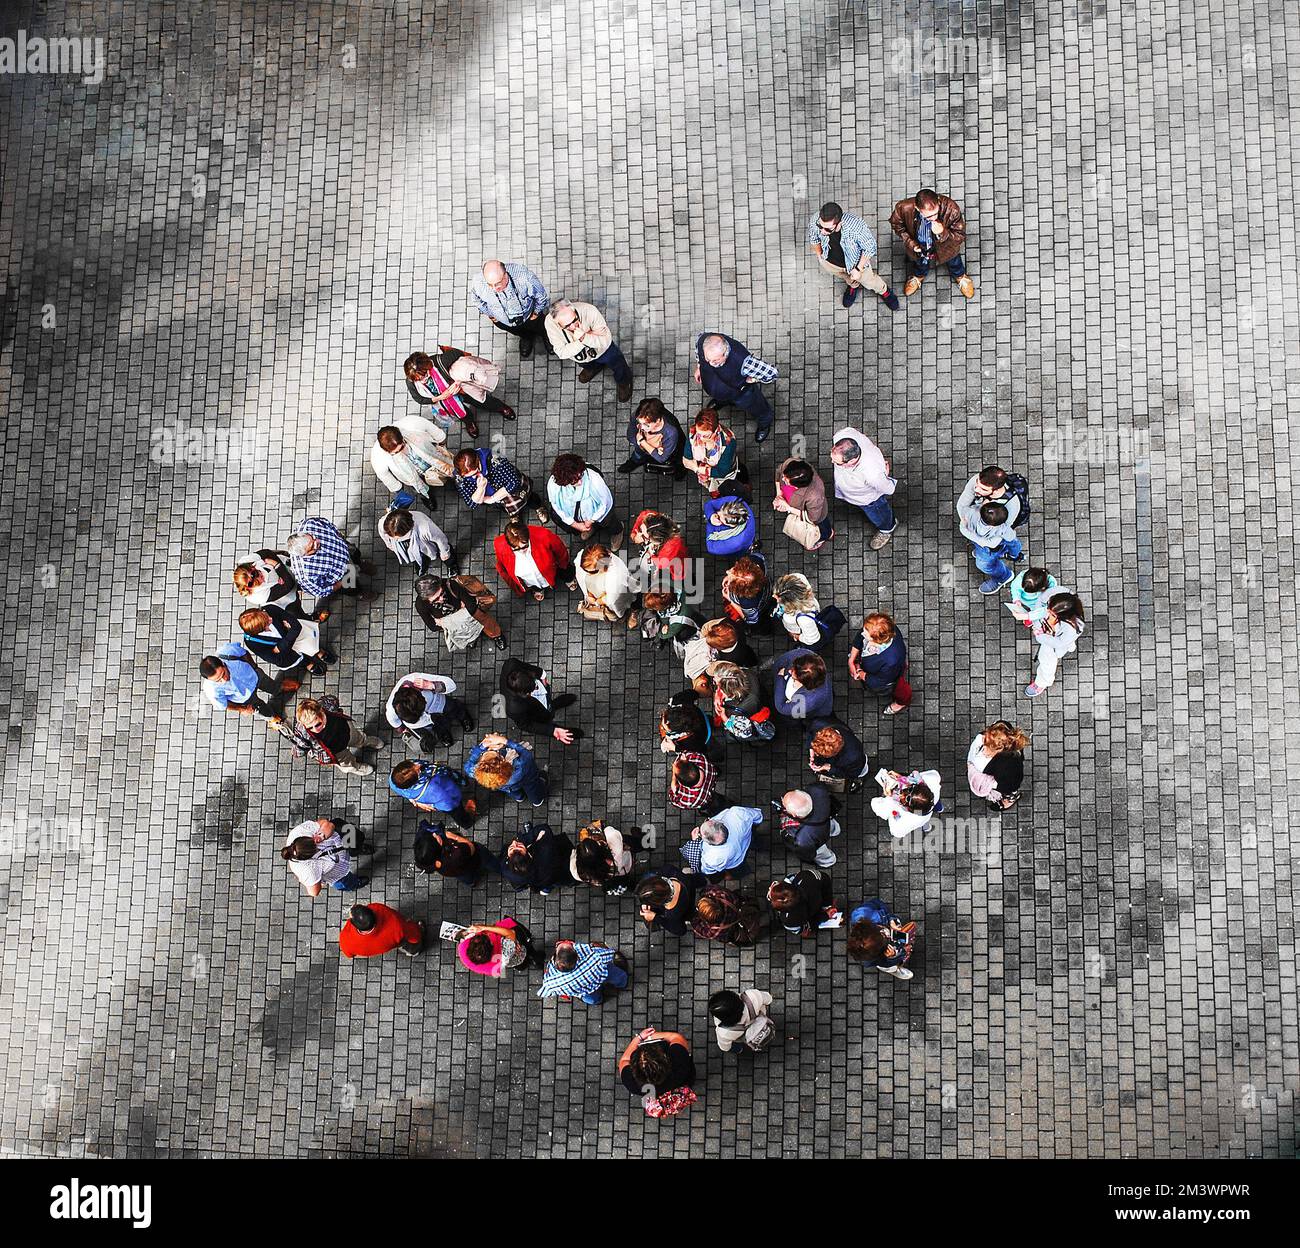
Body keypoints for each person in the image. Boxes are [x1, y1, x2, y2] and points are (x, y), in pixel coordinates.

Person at [806, 200, 900, 310]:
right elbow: (813, 238)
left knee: (869, 281)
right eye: (820, 226)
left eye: (827, 229)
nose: (822, 231)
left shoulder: (856, 227)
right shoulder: (816, 220)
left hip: (855, 264)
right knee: (847, 278)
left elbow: (870, 248)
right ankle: (853, 286)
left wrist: (858, 269)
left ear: (839, 223)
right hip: (831, 263)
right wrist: (820, 256)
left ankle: (884, 291)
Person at [403, 347, 515, 439]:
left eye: (423, 376)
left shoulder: (440, 361)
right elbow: (419, 399)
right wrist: (440, 397)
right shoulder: (411, 381)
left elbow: (458, 354)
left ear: (427, 366)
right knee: (460, 412)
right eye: (417, 379)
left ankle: (500, 407)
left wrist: (458, 379)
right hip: (444, 401)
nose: (422, 381)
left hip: (461, 391)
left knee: (482, 401)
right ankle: (469, 422)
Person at [890, 187, 974, 298]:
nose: (934, 218)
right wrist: (910, 243)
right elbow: (897, 225)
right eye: (929, 216)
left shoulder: (951, 209)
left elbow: (959, 237)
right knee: (920, 262)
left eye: (936, 213)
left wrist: (943, 232)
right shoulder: (903, 208)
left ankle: (960, 276)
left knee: (954, 261)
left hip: (946, 247)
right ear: (917, 208)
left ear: (938, 203)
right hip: (921, 247)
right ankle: (918, 276)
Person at [544, 299, 633, 401]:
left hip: (603, 350)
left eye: (574, 320)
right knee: (586, 364)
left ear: (574, 310)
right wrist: (583, 340)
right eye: (567, 325)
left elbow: (605, 340)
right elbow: (561, 352)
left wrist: (584, 337)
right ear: (557, 323)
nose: (573, 327)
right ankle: (594, 368)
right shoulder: (550, 323)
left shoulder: (589, 311)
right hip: (581, 356)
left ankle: (624, 382)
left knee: (618, 365)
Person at [694, 332, 776, 442]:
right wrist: (700, 366)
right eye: (707, 359)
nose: (710, 364)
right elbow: (698, 350)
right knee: (721, 396)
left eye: (715, 361)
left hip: (741, 394)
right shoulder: (703, 340)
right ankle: (722, 401)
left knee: (759, 409)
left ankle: (764, 424)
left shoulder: (743, 361)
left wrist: (752, 379)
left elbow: (772, 373)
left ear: (725, 353)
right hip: (720, 390)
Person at [956, 465, 1027, 592]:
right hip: (983, 532)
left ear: (996, 490)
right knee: (1009, 543)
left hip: (991, 539)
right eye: (977, 483)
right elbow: (961, 505)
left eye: (982, 489)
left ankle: (1003, 577)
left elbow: (995, 541)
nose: (976, 488)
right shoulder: (978, 481)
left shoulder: (1011, 505)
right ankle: (1011, 554)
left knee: (984, 564)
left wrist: (966, 528)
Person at [829, 427, 897, 549]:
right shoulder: (844, 435)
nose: (832, 462)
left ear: (852, 461)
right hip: (854, 493)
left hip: (868, 500)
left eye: (837, 462)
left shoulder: (872, 473)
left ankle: (887, 528)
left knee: (879, 513)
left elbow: (888, 488)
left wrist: (883, 476)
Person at [286, 516, 377, 604]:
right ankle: (359, 593)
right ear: (303, 554)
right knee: (351, 586)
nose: (317, 542)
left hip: (344, 549)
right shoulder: (305, 575)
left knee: (356, 554)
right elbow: (320, 591)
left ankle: (359, 565)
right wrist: (339, 584)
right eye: (312, 547)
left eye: (312, 537)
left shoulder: (309, 524)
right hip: (342, 574)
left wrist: (339, 536)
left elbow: (326, 523)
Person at [471, 259, 551, 358]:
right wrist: (490, 314)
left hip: (529, 316)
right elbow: (477, 300)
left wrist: (536, 312)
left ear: (505, 275)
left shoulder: (525, 277)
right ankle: (526, 337)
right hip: (504, 321)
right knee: (519, 331)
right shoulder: (478, 282)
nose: (494, 289)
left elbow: (541, 296)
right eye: (490, 284)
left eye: (497, 284)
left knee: (541, 327)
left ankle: (547, 336)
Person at [369, 417, 454, 507]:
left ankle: (453, 477)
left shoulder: (412, 424)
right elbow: (384, 475)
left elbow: (433, 430)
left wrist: (441, 443)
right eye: (396, 453)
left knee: (446, 468)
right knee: (418, 486)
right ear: (386, 451)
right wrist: (397, 489)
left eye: (401, 447)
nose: (400, 452)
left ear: (402, 438)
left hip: (429, 458)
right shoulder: (377, 456)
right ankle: (427, 496)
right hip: (410, 474)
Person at [414, 574, 508, 653]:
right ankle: (472, 639)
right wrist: (461, 613)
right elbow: (432, 627)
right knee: (465, 633)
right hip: (462, 616)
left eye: (441, 593)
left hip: (467, 615)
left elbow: (472, 606)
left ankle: (497, 635)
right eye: (436, 599)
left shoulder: (450, 584)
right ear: (425, 599)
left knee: (486, 622)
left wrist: (444, 621)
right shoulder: (420, 605)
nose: (441, 599)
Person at [237, 606, 332, 682]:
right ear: (259, 630)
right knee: (298, 659)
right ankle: (307, 663)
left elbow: (296, 626)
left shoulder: (270, 609)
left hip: (297, 640)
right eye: (267, 622)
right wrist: (289, 635)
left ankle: (318, 651)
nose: (270, 618)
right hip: (289, 655)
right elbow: (276, 659)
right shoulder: (252, 642)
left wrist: (280, 647)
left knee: (311, 644)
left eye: (265, 615)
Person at [291, 697, 383, 776]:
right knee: (347, 763)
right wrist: (297, 751)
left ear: (321, 712)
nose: (315, 729)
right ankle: (357, 768)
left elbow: (333, 700)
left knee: (359, 738)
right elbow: (299, 750)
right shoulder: (302, 733)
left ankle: (366, 741)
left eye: (318, 724)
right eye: (310, 727)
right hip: (334, 751)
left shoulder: (328, 705)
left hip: (346, 731)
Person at [546, 454, 623, 547]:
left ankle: (617, 532)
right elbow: (557, 506)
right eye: (575, 481)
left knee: (609, 522)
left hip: (600, 511)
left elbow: (604, 502)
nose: (580, 482)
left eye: (581, 475)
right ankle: (590, 528)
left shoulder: (594, 478)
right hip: (578, 515)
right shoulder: (553, 485)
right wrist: (575, 524)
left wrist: (592, 520)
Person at [384, 672, 472, 750]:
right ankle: (443, 734)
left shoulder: (416, 679)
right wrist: (403, 730)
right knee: (437, 727)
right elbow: (394, 722)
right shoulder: (391, 710)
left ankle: (463, 716)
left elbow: (451, 685)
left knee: (454, 709)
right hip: (424, 723)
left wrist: (432, 685)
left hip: (440, 704)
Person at [618, 1028, 696, 1117]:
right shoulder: (678, 1061)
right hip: (683, 1079)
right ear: (664, 1059)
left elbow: (624, 1060)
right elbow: (676, 1037)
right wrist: (651, 1036)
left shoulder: (631, 1082)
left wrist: (639, 1038)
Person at [499, 659, 579, 744]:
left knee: (548, 704)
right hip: (535, 712)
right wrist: (552, 731)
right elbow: (526, 725)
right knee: (546, 718)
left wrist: (542, 674)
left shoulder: (511, 664)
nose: (535, 689)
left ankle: (554, 705)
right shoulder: (513, 709)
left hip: (539, 700)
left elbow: (527, 666)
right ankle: (565, 732)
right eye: (530, 692)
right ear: (523, 693)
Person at [281, 817, 369, 895]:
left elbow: (326, 823)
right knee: (345, 882)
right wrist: (310, 880)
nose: (317, 844)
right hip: (337, 872)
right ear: (308, 857)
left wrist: (322, 835)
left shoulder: (300, 832)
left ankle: (357, 849)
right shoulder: (307, 871)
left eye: (312, 840)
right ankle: (356, 883)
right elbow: (314, 892)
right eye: (315, 848)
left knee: (354, 840)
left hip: (340, 840)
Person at [493, 519, 576, 602]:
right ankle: (538, 589)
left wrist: (563, 563)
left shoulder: (543, 535)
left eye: (525, 546)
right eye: (516, 549)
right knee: (532, 583)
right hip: (529, 579)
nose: (522, 551)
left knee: (564, 571)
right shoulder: (499, 544)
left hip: (553, 568)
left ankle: (568, 578)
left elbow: (560, 550)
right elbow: (501, 566)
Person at [848, 612, 912, 716]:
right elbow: (860, 636)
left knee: (899, 689)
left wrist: (860, 673)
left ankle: (902, 703)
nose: (862, 633)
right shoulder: (884, 628)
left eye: (865, 633)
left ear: (876, 639)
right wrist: (851, 659)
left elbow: (880, 681)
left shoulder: (891, 661)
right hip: (881, 667)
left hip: (888, 677)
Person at [378, 496, 457, 576]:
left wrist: (444, 553)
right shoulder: (383, 523)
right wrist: (389, 544)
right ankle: (421, 564)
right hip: (410, 544)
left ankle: (452, 565)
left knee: (447, 555)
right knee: (415, 554)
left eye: (395, 536)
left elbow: (440, 539)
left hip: (425, 542)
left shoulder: (426, 528)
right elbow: (383, 534)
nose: (393, 538)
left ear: (409, 528)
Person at [1025, 592, 1085, 697]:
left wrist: (1040, 635)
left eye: (1052, 614)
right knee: (1067, 643)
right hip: (1057, 638)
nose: (1048, 613)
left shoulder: (1071, 628)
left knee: (1047, 664)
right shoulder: (1066, 605)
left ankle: (1043, 682)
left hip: (1053, 645)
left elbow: (1059, 642)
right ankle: (1070, 646)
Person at [464, 732, 549, 806]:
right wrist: (504, 740)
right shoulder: (520, 765)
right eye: (497, 754)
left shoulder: (477, 771)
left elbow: (467, 766)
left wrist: (483, 746)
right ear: (503, 761)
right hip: (526, 778)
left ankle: (519, 797)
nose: (496, 751)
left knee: (513, 791)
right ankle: (537, 801)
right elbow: (526, 756)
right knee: (532, 788)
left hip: (507, 787)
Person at [388, 759, 478, 829]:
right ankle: (466, 823)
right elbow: (450, 803)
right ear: (414, 780)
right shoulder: (432, 789)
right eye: (417, 771)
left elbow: (405, 792)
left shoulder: (394, 780)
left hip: (443, 795)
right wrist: (457, 801)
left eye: (413, 764)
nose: (418, 765)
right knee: (458, 813)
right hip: (450, 800)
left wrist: (414, 800)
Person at [200, 644, 284, 716]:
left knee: (273, 687)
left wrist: (255, 667)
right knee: (264, 711)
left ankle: (280, 691)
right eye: (218, 680)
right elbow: (224, 705)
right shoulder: (211, 690)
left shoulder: (228, 651)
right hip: (245, 698)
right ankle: (272, 718)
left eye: (223, 674)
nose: (224, 680)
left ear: (223, 663)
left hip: (255, 676)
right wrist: (242, 709)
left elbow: (244, 653)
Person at [538, 940, 630, 1005]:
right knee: (616, 975)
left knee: (593, 999)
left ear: (556, 960)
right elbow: (609, 954)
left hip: (585, 991)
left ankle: (599, 1000)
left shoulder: (550, 982)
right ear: (577, 957)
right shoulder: (596, 956)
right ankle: (623, 984)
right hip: (599, 975)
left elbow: (543, 993)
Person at [411, 819, 499, 886]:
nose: (434, 834)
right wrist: (453, 836)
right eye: (435, 838)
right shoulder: (456, 854)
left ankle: (472, 883)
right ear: (439, 845)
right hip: (474, 859)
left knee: (466, 877)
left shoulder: (423, 858)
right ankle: (498, 867)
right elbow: (471, 847)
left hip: (457, 871)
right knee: (488, 860)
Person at [680, 805, 762, 877]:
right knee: (757, 842)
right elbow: (758, 816)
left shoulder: (712, 858)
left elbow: (707, 871)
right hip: (748, 839)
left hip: (737, 862)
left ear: (708, 842)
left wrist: (695, 841)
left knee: (740, 871)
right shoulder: (737, 813)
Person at [683, 407, 749, 496]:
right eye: (699, 434)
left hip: (725, 474)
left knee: (727, 489)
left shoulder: (728, 442)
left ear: (716, 431)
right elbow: (687, 457)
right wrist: (701, 470)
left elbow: (722, 471)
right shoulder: (694, 432)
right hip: (708, 470)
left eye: (706, 436)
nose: (701, 439)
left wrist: (698, 469)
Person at [773, 572, 845, 652]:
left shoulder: (805, 620)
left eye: (778, 598)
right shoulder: (798, 577)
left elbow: (813, 639)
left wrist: (797, 637)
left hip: (798, 629)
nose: (774, 597)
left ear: (793, 603)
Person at [453, 447, 533, 518]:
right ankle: (515, 516)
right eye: (466, 476)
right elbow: (472, 503)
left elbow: (514, 482)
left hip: (515, 491)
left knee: (530, 498)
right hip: (499, 501)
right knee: (505, 509)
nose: (472, 477)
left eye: (474, 474)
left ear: (478, 464)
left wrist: (492, 498)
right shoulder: (459, 476)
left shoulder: (495, 459)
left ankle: (538, 506)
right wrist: (481, 488)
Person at [847, 898, 916, 980]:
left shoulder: (861, 913)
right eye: (885, 939)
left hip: (890, 929)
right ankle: (894, 969)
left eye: (882, 933)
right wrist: (892, 958)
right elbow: (884, 963)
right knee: (889, 966)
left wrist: (891, 919)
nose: (888, 935)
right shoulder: (869, 960)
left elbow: (877, 903)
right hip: (886, 956)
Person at [773, 457, 834, 548]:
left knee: (823, 528)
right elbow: (779, 471)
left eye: (786, 481)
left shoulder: (814, 496)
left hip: (818, 515)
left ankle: (826, 535)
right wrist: (779, 494)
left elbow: (813, 517)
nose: (783, 479)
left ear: (798, 486)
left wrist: (788, 508)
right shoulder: (791, 465)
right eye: (784, 477)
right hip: (794, 505)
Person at [498, 822, 573, 895]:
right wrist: (533, 840)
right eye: (519, 847)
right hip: (552, 874)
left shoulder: (505, 869)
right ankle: (546, 889)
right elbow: (544, 829)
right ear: (528, 854)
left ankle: (545, 889)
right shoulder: (545, 853)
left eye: (511, 848)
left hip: (535, 882)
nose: (514, 842)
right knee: (552, 881)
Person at [968, 721, 1029, 810]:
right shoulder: (1007, 735)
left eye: (987, 747)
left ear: (998, 751)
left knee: (1009, 789)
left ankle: (1010, 798)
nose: (983, 748)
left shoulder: (1002, 766)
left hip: (1008, 781)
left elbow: (1007, 784)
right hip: (1014, 769)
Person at [709, 662, 775, 744]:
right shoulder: (746, 673)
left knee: (730, 736)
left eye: (715, 683)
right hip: (762, 697)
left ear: (726, 689)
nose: (713, 681)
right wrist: (717, 695)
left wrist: (723, 716)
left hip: (751, 721)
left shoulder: (736, 711)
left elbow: (743, 730)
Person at [619, 397, 686, 477]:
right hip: (643, 449)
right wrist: (652, 449)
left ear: (657, 421)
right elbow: (631, 436)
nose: (641, 427)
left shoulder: (670, 432)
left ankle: (680, 473)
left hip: (672, 456)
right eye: (640, 423)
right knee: (638, 455)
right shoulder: (639, 415)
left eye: (646, 425)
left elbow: (662, 458)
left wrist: (642, 442)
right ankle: (635, 462)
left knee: (677, 467)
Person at [574, 542, 637, 625]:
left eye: (593, 571)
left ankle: (625, 614)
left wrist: (596, 602)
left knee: (619, 605)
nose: (588, 573)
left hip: (609, 596)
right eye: (585, 570)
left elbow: (611, 599)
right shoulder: (588, 557)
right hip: (598, 592)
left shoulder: (615, 578)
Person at [776, 787, 840, 867]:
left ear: (794, 815)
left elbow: (807, 852)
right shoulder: (818, 790)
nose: (781, 802)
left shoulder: (802, 838)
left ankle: (828, 861)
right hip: (825, 820)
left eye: (784, 805)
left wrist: (807, 858)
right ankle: (835, 831)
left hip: (816, 840)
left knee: (821, 853)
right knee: (831, 826)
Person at [570, 819, 637, 894]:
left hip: (609, 876)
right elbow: (611, 831)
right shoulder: (613, 845)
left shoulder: (576, 872)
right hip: (623, 866)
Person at [767, 869, 842, 936]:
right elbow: (825, 879)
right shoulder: (808, 877)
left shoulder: (788, 921)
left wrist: (825, 916)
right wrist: (827, 905)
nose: (770, 888)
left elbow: (804, 929)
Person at [871, 768, 943, 837]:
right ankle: (939, 809)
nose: (899, 793)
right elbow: (935, 774)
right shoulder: (931, 781)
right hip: (932, 804)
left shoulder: (904, 821)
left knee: (922, 823)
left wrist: (888, 797)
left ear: (909, 809)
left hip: (918, 819)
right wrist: (900, 778)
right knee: (934, 808)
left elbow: (875, 804)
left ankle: (926, 827)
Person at [630, 509, 690, 590]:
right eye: (641, 529)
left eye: (644, 536)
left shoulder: (671, 546)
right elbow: (643, 515)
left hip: (677, 563)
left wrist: (651, 553)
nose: (640, 534)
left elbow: (662, 563)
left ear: (657, 541)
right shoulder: (652, 520)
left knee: (680, 576)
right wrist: (634, 535)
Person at [457, 917, 539, 977]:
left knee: (520, 964)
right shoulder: (506, 951)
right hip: (520, 952)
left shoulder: (493, 961)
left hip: (513, 960)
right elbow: (511, 933)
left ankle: (523, 966)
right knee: (529, 951)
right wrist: (483, 927)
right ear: (491, 945)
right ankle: (536, 960)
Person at [339, 903, 425, 960]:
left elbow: (349, 954)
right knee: (411, 944)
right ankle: (414, 951)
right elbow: (414, 936)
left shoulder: (346, 940)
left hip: (389, 944)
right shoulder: (379, 909)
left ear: (353, 924)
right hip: (398, 937)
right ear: (372, 912)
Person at [231, 549, 307, 612]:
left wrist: (283, 574)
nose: (260, 580)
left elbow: (268, 552)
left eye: (255, 574)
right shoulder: (259, 596)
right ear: (247, 588)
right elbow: (289, 585)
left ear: (252, 567)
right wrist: (275, 564)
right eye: (251, 584)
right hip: (288, 598)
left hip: (288, 564)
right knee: (296, 613)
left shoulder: (245, 561)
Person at [806, 716, 869, 793]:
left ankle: (860, 780)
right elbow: (809, 733)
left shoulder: (853, 756)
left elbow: (850, 774)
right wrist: (812, 751)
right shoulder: (819, 724)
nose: (817, 755)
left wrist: (829, 768)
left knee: (861, 772)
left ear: (836, 751)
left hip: (856, 766)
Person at [772, 648, 833, 721]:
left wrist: (780, 678)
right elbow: (780, 662)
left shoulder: (810, 699)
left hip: (811, 714)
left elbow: (781, 707)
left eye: (794, 675)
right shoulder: (802, 654)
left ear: (805, 683)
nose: (789, 671)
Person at [709, 988, 776, 1054]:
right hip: (761, 1023)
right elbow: (769, 998)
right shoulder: (752, 996)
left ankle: (740, 1050)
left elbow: (725, 1047)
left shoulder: (725, 1032)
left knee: (734, 1048)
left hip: (744, 1035)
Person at [639, 590, 704, 657]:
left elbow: (664, 634)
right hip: (691, 617)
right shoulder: (669, 587)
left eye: (654, 608)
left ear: (664, 607)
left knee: (685, 635)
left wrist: (661, 628)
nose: (653, 610)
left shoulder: (678, 621)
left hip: (688, 628)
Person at [635, 870, 701, 936]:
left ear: (659, 902)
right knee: (648, 874)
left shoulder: (672, 914)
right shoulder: (668, 871)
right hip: (689, 887)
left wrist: (655, 917)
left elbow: (681, 931)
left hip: (686, 910)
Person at [691, 888, 764, 946]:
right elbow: (707, 889)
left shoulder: (714, 931)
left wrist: (693, 919)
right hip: (740, 912)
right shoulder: (723, 896)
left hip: (732, 930)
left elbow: (698, 929)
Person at [721, 554, 773, 632]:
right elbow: (761, 556)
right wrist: (729, 578)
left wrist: (731, 601)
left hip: (762, 606)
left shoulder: (747, 603)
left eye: (733, 581)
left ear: (741, 591)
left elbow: (751, 620)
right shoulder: (756, 561)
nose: (727, 571)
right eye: (734, 569)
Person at [703, 493, 758, 559]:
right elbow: (710, 504)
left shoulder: (736, 542)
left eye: (720, 517)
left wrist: (711, 524)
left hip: (737, 549)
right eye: (720, 510)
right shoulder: (733, 501)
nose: (717, 513)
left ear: (732, 525)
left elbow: (711, 547)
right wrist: (711, 516)